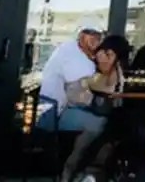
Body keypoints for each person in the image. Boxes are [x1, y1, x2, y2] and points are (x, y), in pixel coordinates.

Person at [60, 34, 131, 182]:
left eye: (109, 55)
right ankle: (76, 170)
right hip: (73, 114)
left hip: (94, 119)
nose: (103, 58)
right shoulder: (91, 72)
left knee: (102, 127)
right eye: (103, 52)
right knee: (98, 126)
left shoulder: (115, 76)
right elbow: (76, 92)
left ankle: (79, 171)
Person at [37, 19, 104, 130]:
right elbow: (82, 87)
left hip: (62, 108)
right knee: (100, 125)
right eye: (90, 34)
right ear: (81, 36)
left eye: (97, 35)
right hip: (55, 112)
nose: (95, 39)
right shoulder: (72, 53)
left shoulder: (78, 51)